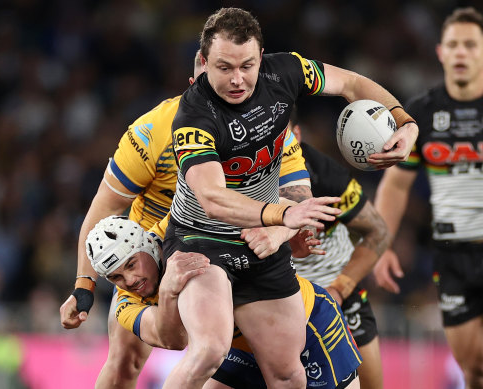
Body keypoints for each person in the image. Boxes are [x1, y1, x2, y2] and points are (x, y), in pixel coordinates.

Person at [164, 7, 418, 388]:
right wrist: (281, 216)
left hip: (262, 253)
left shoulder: (285, 72)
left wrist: (405, 122)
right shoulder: (192, 117)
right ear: (203, 62)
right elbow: (213, 198)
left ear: (261, 57)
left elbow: (351, 83)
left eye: (247, 65)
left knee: (289, 375)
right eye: (223, 67)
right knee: (209, 350)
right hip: (203, 241)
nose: (237, 79)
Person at [59, 51, 312, 388]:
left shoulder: (267, 123)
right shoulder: (150, 135)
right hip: (149, 248)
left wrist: (282, 235)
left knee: (249, 355)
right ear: (193, 87)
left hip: (228, 242)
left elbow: (298, 198)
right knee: (126, 361)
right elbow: (102, 212)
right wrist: (84, 287)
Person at [372, 7, 483, 389]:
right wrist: (382, 244)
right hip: (453, 258)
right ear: (441, 52)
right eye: (454, 45)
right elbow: (395, 185)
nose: (461, 53)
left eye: (470, 45)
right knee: (475, 372)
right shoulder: (422, 116)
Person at [87, 214, 362, 389]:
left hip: (306, 326)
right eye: (116, 277)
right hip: (238, 349)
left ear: (146, 244)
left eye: (132, 264)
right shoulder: (125, 303)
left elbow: (264, 205)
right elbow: (173, 340)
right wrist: (169, 292)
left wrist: (283, 236)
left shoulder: (180, 222)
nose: (131, 280)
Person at [286, 110, 389, 389]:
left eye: (281, 136)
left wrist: (340, 288)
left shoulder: (327, 175)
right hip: (280, 297)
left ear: (296, 135)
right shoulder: (241, 174)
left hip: (336, 292)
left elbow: (378, 231)